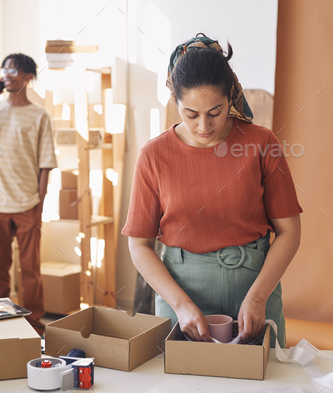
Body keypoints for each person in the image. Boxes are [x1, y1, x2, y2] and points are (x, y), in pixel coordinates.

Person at [122, 34, 302, 348]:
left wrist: (258, 298)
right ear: (174, 100)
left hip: (254, 292)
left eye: (215, 112)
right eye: (190, 114)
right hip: (181, 296)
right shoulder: (153, 155)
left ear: (231, 96)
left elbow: (289, 231)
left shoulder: (262, 144)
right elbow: (140, 245)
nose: (204, 126)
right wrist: (179, 304)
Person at [0, 53, 57, 336]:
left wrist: (40, 205)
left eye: (14, 69)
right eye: (5, 69)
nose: (7, 74)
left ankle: (34, 325)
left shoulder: (40, 115)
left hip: (28, 202)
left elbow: (46, 164)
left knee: (30, 270)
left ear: (29, 76)